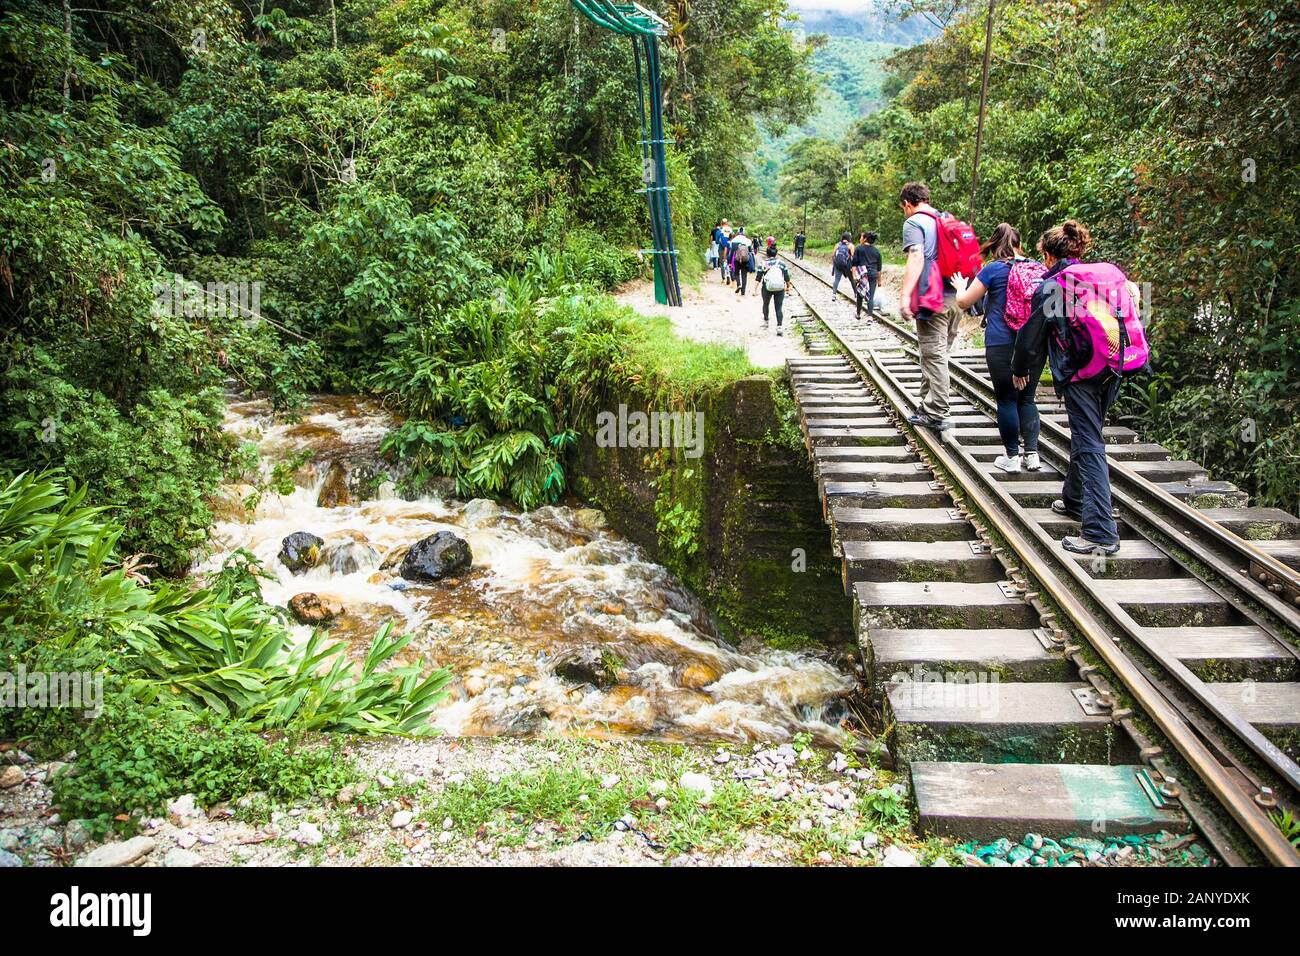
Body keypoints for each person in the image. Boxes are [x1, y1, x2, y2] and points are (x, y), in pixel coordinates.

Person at [1011, 220, 1126, 555]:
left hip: (1079, 375)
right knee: (1088, 435)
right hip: (1113, 369)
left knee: (1089, 442)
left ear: (1048, 256)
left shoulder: (1053, 286)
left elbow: (1029, 339)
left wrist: (1020, 370)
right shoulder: (1101, 279)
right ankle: (1074, 500)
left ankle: (1100, 531)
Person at [956, 223, 1044, 474]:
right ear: (1019, 245)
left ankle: (1012, 457)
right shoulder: (1037, 268)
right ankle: (1032, 454)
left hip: (1001, 342)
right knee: (1027, 398)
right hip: (1033, 342)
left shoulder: (992, 269)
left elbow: (964, 302)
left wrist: (961, 286)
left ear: (995, 246)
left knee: (1006, 399)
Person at [898, 181, 963, 431]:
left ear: (907, 203)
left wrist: (905, 296)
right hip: (956, 296)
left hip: (932, 299)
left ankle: (938, 412)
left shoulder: (914, 222)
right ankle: (927, 405)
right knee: (935, 354)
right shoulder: (946, 219)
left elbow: (916, 255)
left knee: (934, 356)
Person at [757, 244, 792, 335]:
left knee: (766, 304)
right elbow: (786, 277)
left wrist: (755, 289)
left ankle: (766, 322)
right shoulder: (781, 263)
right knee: (778, 307)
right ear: (776, 254)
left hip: (767, 287)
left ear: (767, 254)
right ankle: (779, 327)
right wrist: (788, 286)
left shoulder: (763, 263)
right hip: (780, 288)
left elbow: (758, 277)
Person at [852, 231, 883, 320]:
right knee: (871, 296)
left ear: (865, 239)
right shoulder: (876, 251)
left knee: (860, 294)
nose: (860, 239)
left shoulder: (858, 249)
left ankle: (858, 314)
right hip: (873, 274)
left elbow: (854, 264)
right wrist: (879, 281)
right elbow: (879, 269)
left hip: (862, 274)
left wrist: (854, 276)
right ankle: (869, 316)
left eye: (861, 237)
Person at [830, 232, 853, 303]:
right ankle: (856, 294)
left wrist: (835, 263)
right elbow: (853, 256)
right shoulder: (850, 245)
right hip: (847, 265)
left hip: (838, 265)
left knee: (837, 279)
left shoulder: (837, 245)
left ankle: (833, 295)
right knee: (852, 280)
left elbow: (833, 255)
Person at [731, 227, 753, 296]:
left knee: (736, 273)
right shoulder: (748, 241)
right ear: (744, 232)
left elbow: (732, 252)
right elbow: (750, 252)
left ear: (738, 232)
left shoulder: (734, 240)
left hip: (737, 259)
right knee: (744, 275)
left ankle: (738, 284)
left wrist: (729, 261)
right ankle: (743, 292)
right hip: (745, 260)